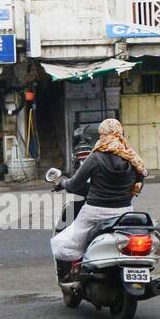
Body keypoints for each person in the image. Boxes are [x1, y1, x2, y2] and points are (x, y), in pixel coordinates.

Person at [50, 118, 147, 281]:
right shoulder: (132, 158)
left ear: (102, 135)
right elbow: (139, 183)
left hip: (95, 212)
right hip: (124, 213)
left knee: (63, 243)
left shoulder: (95, 157)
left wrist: (62, 184)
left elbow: (74, 184)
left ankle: (67, 277)